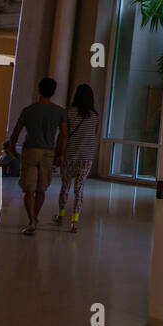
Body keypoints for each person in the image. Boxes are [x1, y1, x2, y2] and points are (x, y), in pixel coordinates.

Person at [8, 77, 67, 235]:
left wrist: (13, 149)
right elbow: (64, 134)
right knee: (41, 189)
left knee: (29, 189)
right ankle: (36, 217)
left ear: (39, 89)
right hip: (48, 152)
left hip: (30, 151)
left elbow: (15, 133)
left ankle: (31, 221)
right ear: (53, 92)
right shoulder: (59, 112)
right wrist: (60, 154)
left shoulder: (28, 110)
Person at [55, 84, 99, 233]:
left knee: (65, 186)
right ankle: (74, 221)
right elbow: (93, 135)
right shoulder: (95, 116)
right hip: (86, 158)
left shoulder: (69, 112)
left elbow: (64, 135)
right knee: (79, 189)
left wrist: (59, 153)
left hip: (69, 156)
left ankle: (60, 216)